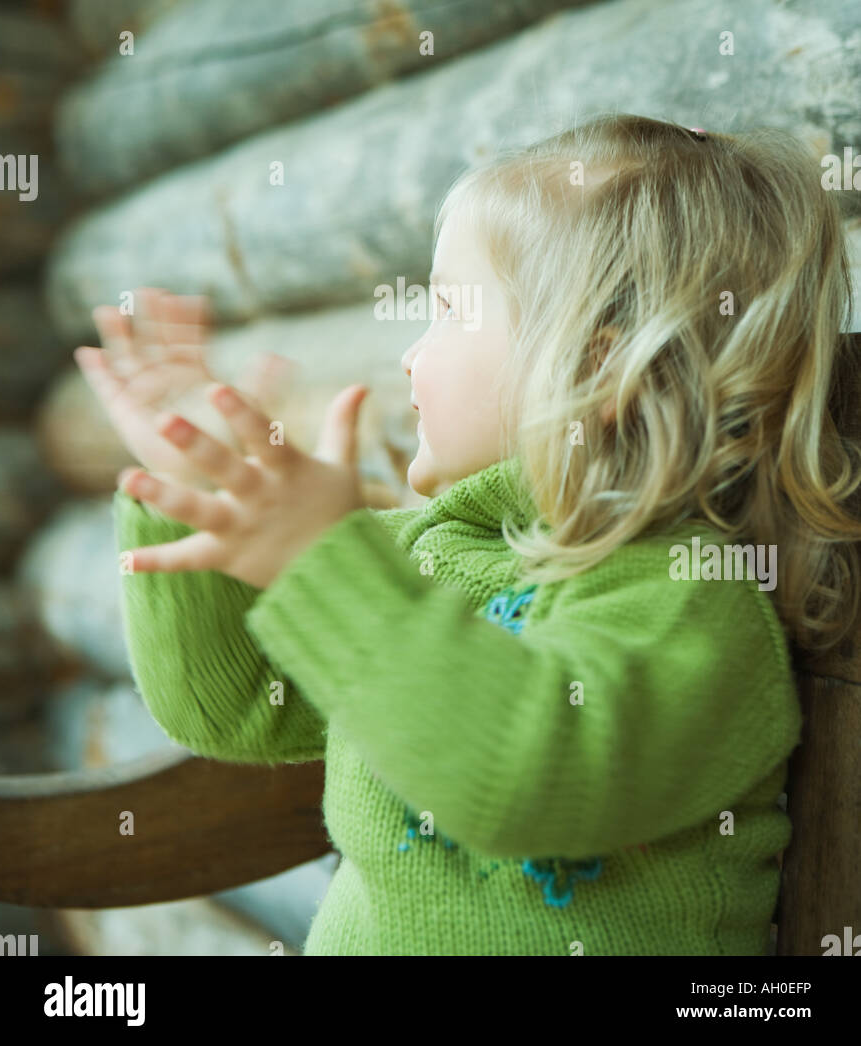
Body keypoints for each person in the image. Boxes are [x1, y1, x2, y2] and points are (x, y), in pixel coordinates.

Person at [75, 113, 861, 956]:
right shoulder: (417, 556)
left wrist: (324, 566)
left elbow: (521, 783)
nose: (410, 356)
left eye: (447, 311)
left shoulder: (683, 603)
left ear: (596, 368)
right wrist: (189, 486)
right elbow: (228, 711)